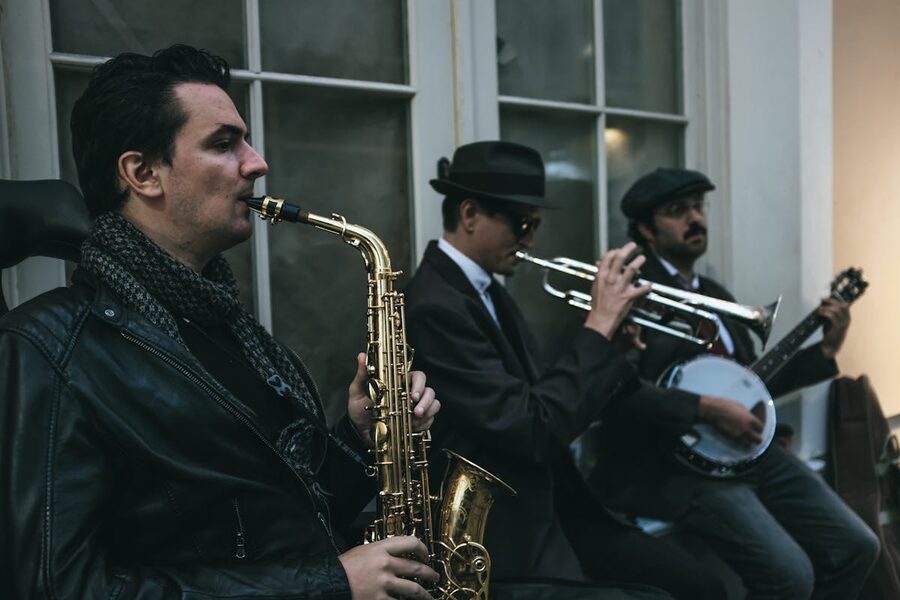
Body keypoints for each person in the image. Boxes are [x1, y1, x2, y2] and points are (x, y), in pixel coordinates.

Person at [0, 44, 442, 599]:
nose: (257, 163)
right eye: (223, 143)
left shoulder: (228, 327)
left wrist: (359, 438)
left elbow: (281, 521)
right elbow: (56, 587)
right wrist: (329, 585)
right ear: (143, 173)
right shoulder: (47, 350)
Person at [403, 142, 725, 599]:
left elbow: (546, 402)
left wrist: (610, 350)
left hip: (561, 507)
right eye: (522, 224)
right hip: (503, 534)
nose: (531, 240)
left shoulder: (483, 289)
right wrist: (597, 328)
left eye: (535, 225)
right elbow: (531, 430)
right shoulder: (436, 305)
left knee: (701, 585)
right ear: (470, 214)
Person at [584, 167, 880, 599]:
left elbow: (750, 383)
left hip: (741, 454)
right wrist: (706, 410)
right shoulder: (630, 295)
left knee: (857, 546)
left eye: (698, 207)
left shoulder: (715, 294)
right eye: (678, 210)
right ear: (646, 229)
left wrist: (825, 350)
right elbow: (615, 392)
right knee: (792, 575)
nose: (695, 218)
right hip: (668, 468)